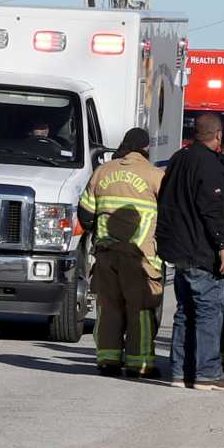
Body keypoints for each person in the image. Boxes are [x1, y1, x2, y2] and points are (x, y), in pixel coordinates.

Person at [158, 112, 224, 391]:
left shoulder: (179, 160)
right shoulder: (210, 165)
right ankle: (206, 373)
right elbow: (212, 211)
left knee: (184, 312)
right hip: (202, 252)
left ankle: (179, 372)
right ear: (218, 136)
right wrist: (223, 247)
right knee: (208, 312)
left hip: (179, 251)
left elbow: (165, 200)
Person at [79, 127, 165, 378]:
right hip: (140, 258)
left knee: (109, 309)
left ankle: (108, 360)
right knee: (141, 310)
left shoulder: (102, 172)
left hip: (106, 255)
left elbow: (85, 216)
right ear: (146, 149)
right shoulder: (155, 175)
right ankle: (140, 364)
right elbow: (170, 215)